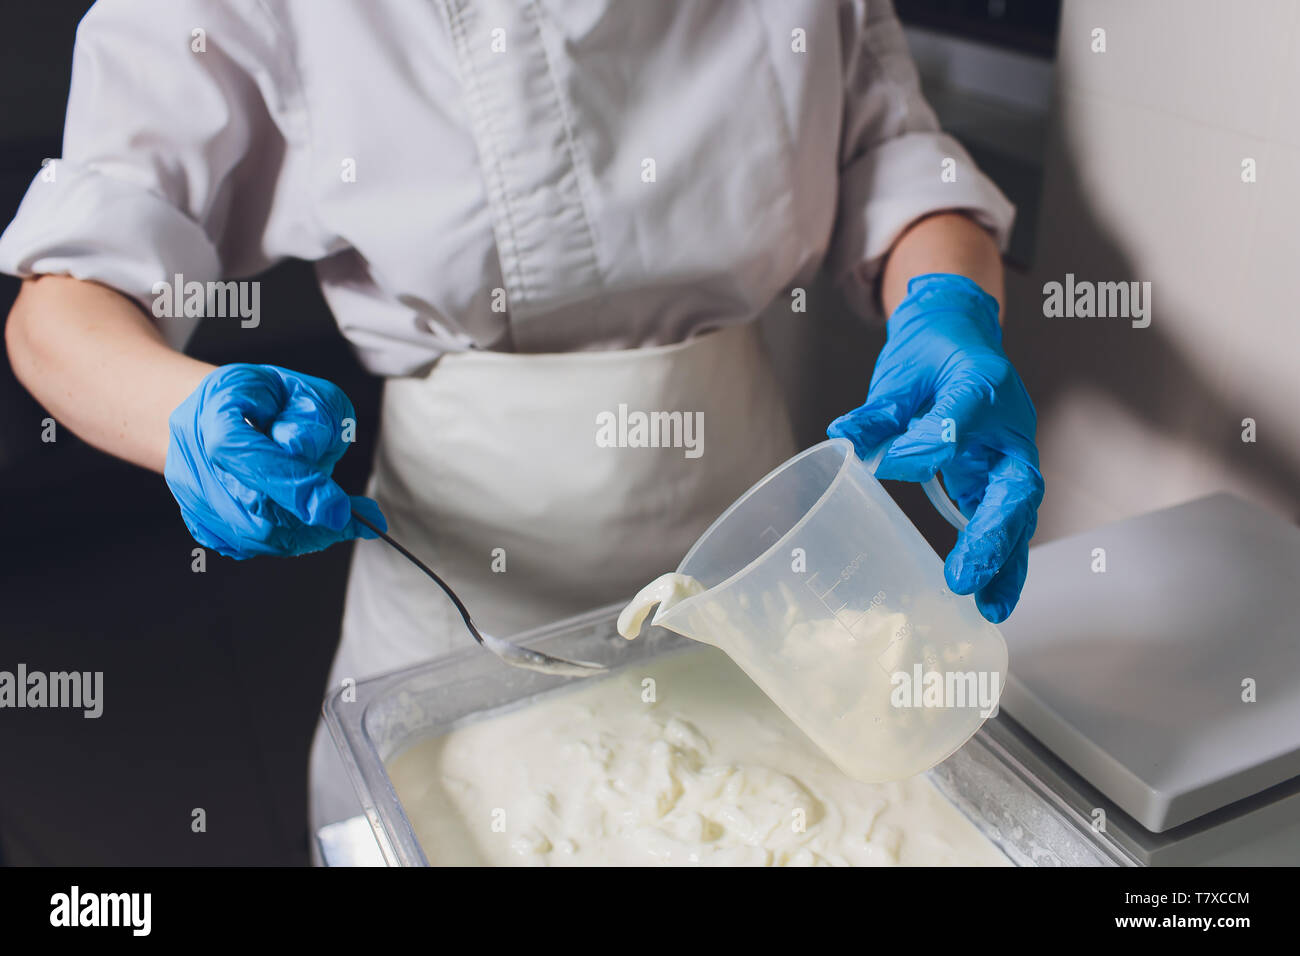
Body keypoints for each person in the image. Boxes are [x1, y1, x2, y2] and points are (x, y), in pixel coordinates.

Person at [1, 0, 1042, 858]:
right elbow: (68, 296)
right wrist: (180, 413)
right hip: (451, 602)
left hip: (763, 560)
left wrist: (947, 307)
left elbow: (895, 156)